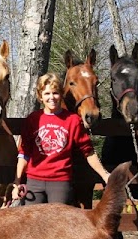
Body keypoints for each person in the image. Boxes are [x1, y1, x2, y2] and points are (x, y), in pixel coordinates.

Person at [13, 72, 111, 206]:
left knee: (59, 223)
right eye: (47, 94)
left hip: (60, 182)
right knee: (33, 225)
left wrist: (105, 175)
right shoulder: (33, 119)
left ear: (61, 95)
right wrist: (16, 183)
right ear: (40, 97)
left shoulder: (72, 120)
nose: (51, 97)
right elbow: (24, 154)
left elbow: (88, 152)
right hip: (34, 182)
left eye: (55, 93)